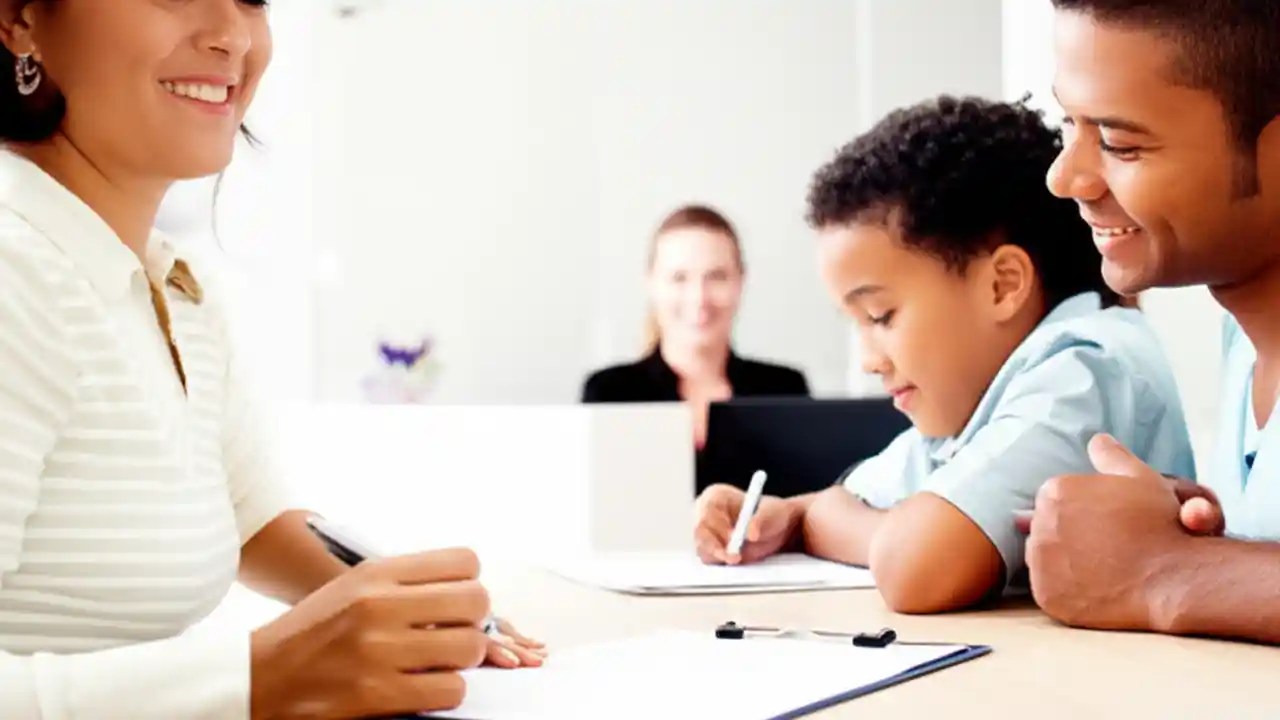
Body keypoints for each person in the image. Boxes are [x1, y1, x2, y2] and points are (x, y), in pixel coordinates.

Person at [0, 2, 541, 718]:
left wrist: (410, 605)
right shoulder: (14, 272)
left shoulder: (175, 287)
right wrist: (266, 676)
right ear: (21, 19)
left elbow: (251, 518)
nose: (231, 35)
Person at [693, 96, 1196, 614]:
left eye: (881, 316)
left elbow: (918, 567)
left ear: (1003, 285)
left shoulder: (1086, 370)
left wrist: (820, 519)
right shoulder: (975, 406)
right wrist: (779, 517)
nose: (868, 359)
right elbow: (860, 500)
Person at [1019, 0, 1280, 643]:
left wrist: (1166, 572)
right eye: (1068, 125)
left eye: (1117, 143)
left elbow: (1175, 576)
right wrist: (1208, 543)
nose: (1065, 177)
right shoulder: (1242, 347)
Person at [582, 204, 809, 451]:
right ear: (651, 283)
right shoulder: (610, 394)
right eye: (679, 278)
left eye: (716, 276)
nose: (699, 298)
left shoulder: (784, 390)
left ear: (740, 282)